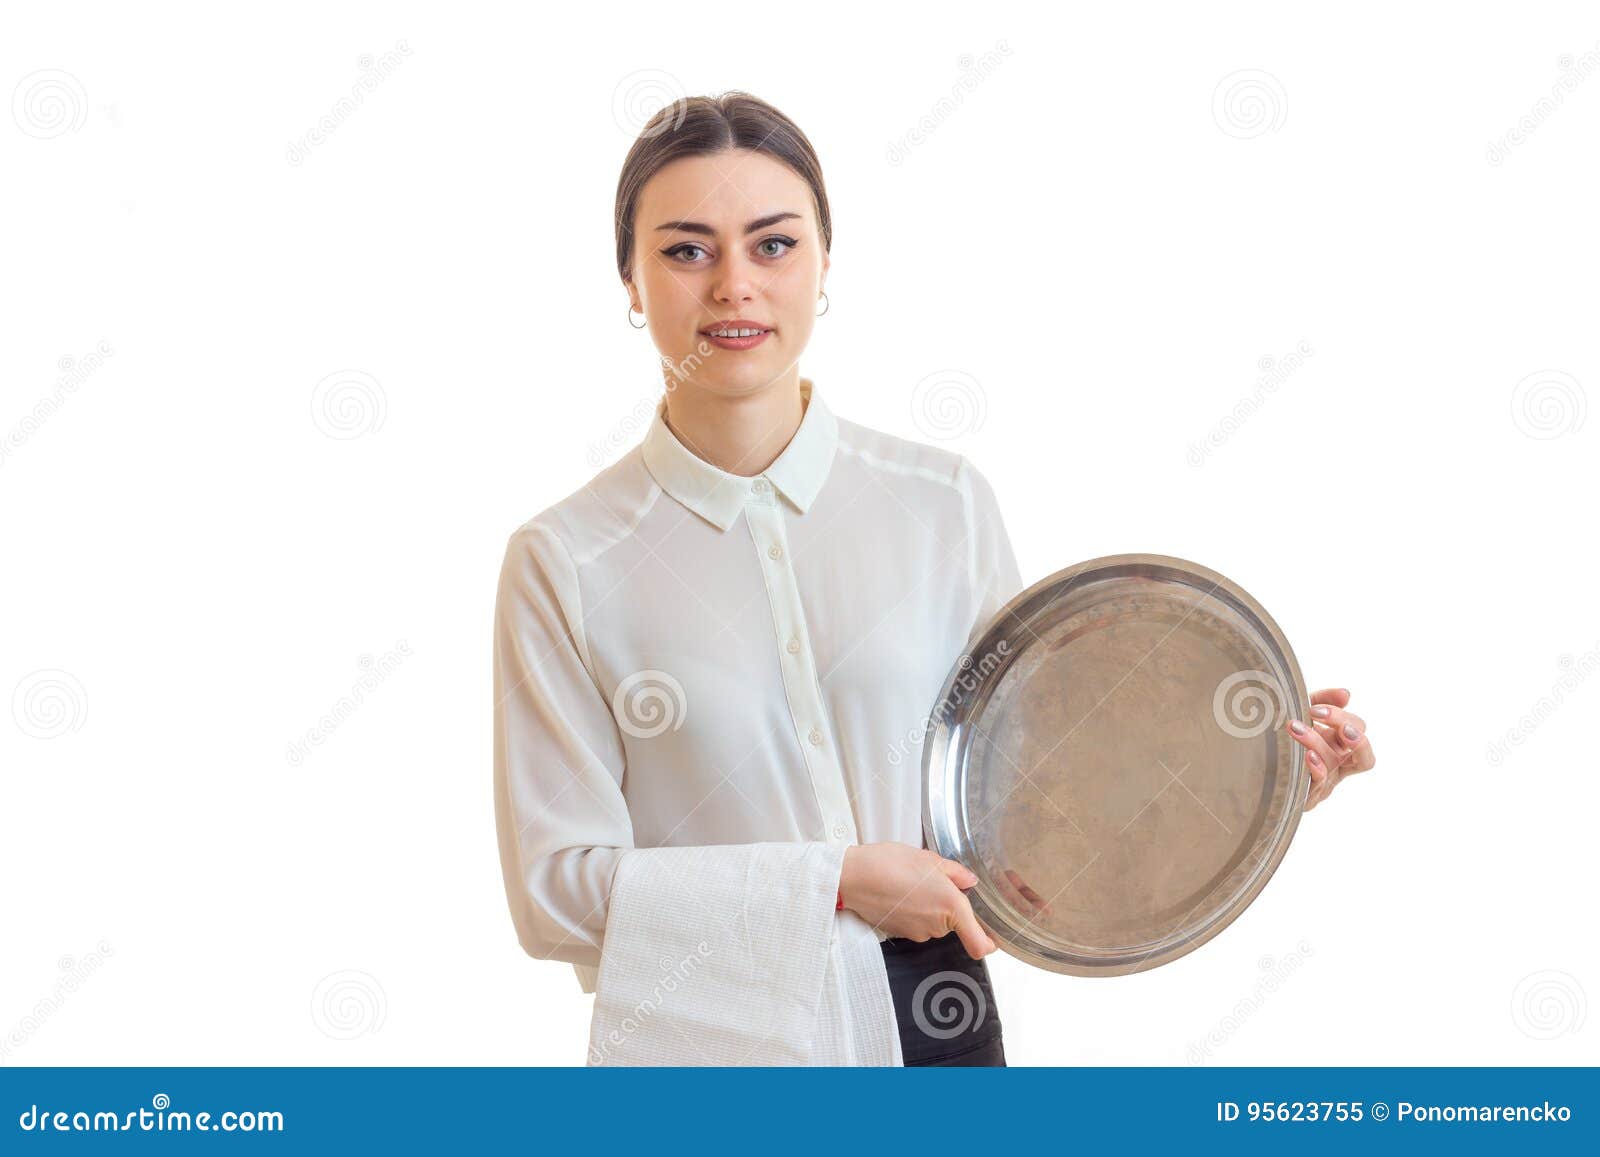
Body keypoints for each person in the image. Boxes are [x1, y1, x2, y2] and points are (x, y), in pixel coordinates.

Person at [492, 91, 1377, 1067]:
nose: (734, 285)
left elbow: (1033, 809)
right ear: (628, 278)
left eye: (774, 245)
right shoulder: (565, 558)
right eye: (687, 250)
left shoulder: (940, 503)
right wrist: (833, 881)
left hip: (937, 1033)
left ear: (825, 263)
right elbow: (552, 891)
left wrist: (1248, 779)